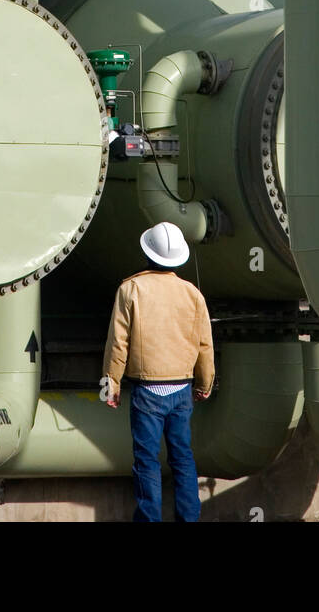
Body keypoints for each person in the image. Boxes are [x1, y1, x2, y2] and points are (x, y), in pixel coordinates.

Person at [101, 220, 215, 522]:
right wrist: (205, 384)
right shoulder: (193, 294)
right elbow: (205, 345)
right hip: (182, 390)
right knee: (183, 458)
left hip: (146, 390)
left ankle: (149, 519)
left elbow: (118, 342)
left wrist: (110, 384)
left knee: (146, 461)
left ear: (146, 252)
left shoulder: (130, 289)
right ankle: (189, 518)